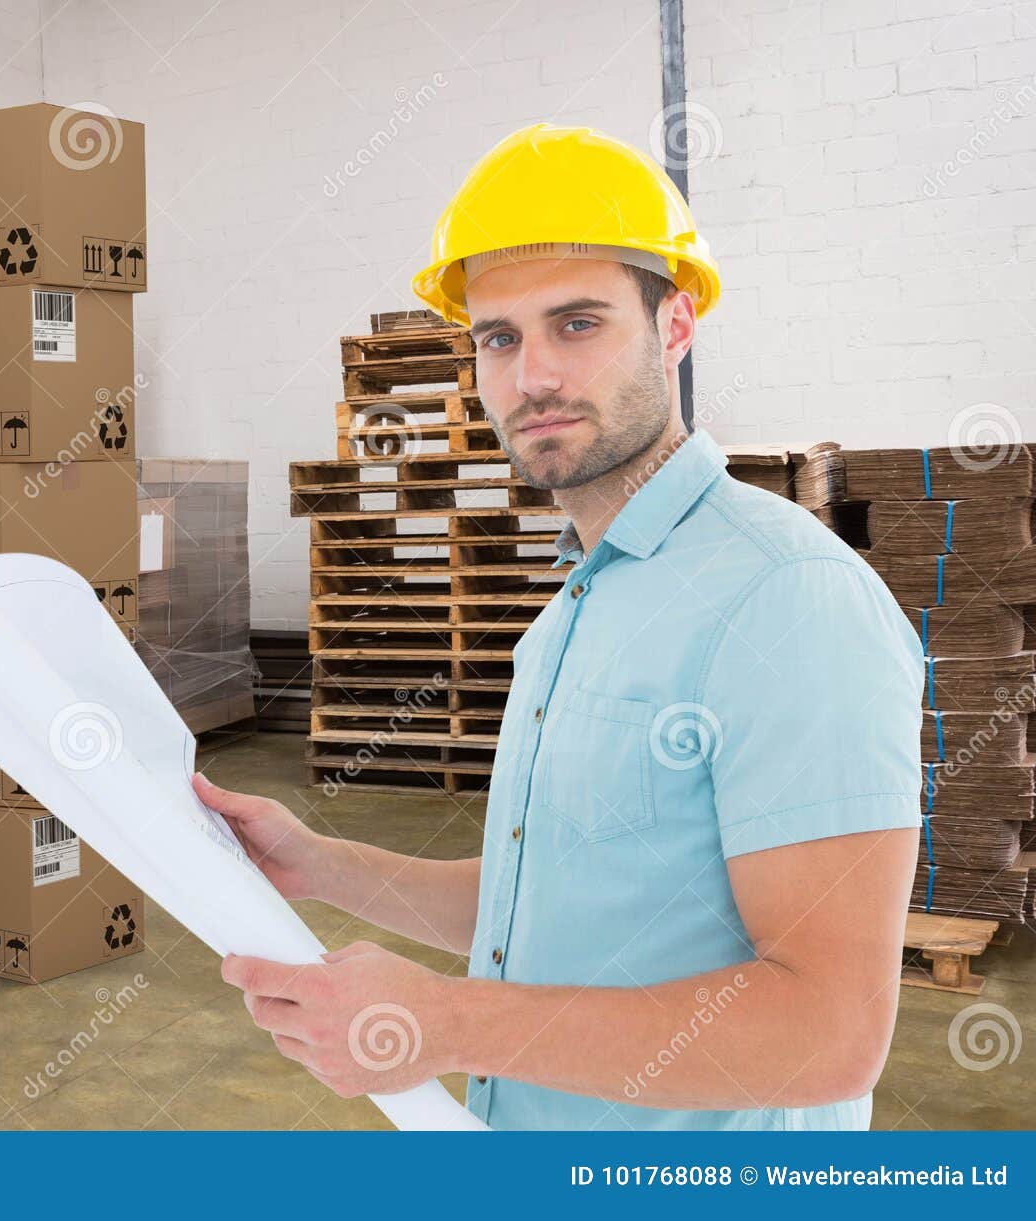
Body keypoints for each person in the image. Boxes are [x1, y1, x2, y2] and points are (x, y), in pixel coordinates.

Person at [199, 123, 924, 1130]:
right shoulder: (579, 603)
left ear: (674, 326)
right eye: (498, 337)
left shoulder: (787, 598)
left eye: (576, 324)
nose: (531, 375)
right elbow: (552, 905)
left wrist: (449, 1023)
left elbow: (832, 1031)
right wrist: (318, 865)